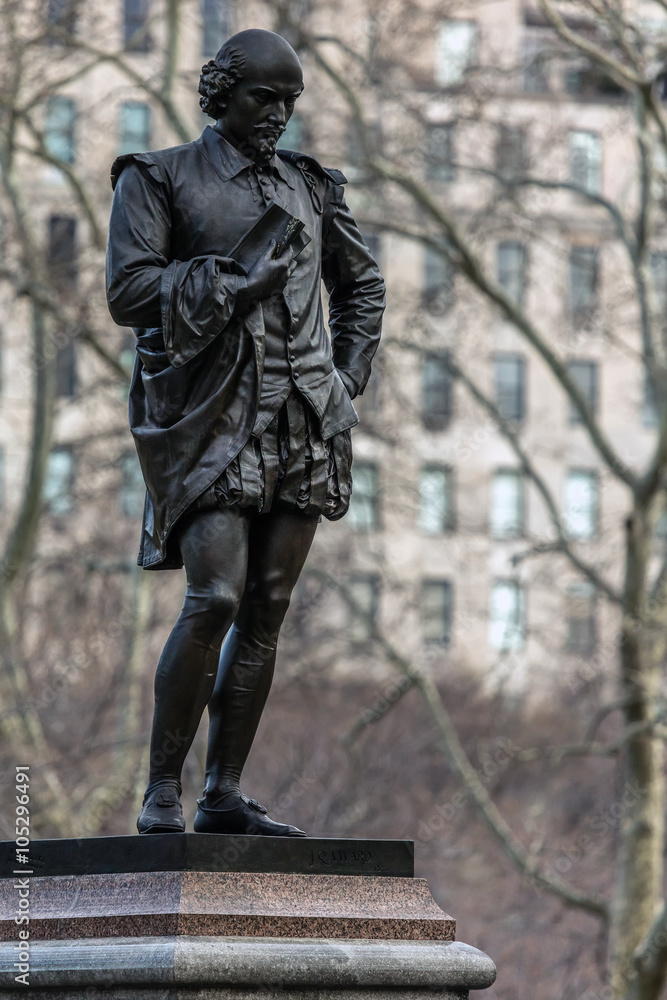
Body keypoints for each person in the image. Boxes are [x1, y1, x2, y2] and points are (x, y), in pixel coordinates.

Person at [106, 28, 385, 836]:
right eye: (265, 98)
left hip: (304, 418)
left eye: (290, 103)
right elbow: (129, 290)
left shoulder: (310, 185)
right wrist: (231, 283)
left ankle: (221, 792)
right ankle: (163, 788)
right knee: (214, 595)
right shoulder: (158, 177)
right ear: (220, 89)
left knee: (267, 606)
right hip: (212, 416)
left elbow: (362, 284)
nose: (278, 116)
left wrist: (347, 376)